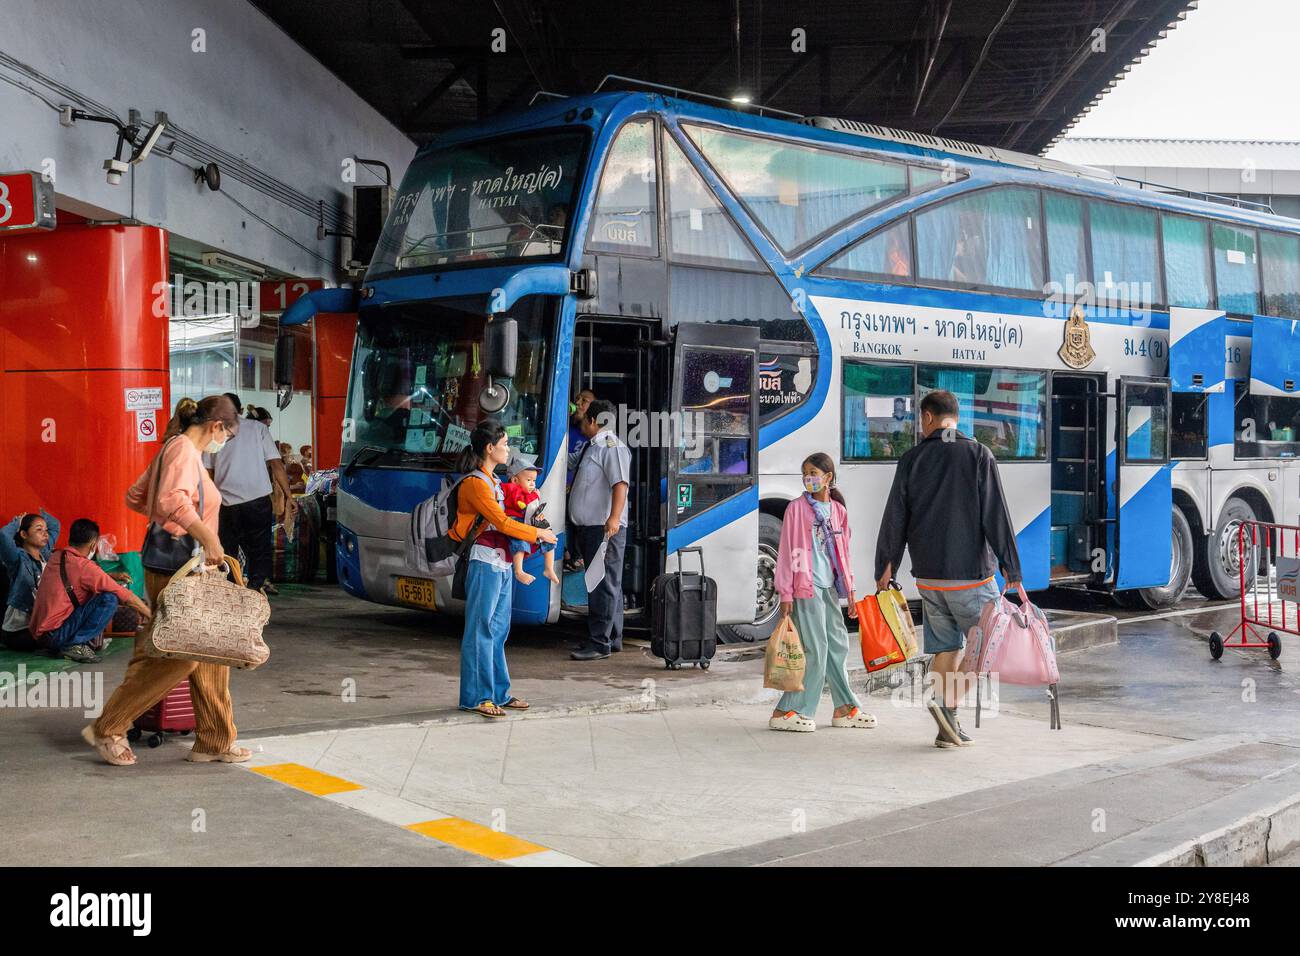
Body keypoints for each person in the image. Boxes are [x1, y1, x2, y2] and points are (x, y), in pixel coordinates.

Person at [86, 394, 250, 767]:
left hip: (186, 568)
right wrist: (204, 535)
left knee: (211, 653)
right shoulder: (183, 452)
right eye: (228, 433)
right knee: (175, 658)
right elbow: (172, 499)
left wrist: (170, 521)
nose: (225, 442)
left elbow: (137, 496)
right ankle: (108, 727)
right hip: (181, 568)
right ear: (216, 427)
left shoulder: (177, 451)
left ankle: (215, 739)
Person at [875, 389, 1022, 749]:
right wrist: (1011, 569)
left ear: (928, 417)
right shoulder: (978, 455)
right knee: (987, 648)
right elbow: (996, 514)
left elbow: (896, 515)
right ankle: (947, 704)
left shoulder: (911, 459)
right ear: (955, 417)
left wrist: (885, 566)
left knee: (946, 649)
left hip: (927, 577)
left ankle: (946, 729)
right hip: (970, 577)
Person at [449, 420, 557, 718]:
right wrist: (539, 535)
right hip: (484, 561)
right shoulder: (475, 484)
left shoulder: (495, 482)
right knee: (480, 629)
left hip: (503, 561)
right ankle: (477, 697)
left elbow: (512, 520)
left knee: (498, 630)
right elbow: (503, 523)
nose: (508, 449)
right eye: (505, 444)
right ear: (489, 448)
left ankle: (499, 692)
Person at [769, 453, 875, 732]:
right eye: (805, 473)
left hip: (830, 588)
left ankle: (844, 708)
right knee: (816, 650)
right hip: (806, 587)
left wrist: (851, 592)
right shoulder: (796, 509)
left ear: (828, 477)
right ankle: (790, 710)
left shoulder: (839, 511)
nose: (808, 478)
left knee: (837, 646)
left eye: (814, 472)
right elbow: (786, 552)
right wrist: (786, 593)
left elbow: (845, 555)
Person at [204, 392, 294, 596]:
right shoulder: (258, 429)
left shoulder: (213, 431)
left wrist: (210, 500)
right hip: (257, 500)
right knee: (259, 546)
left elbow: (207, 472)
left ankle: (231, 588)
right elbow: (276, 464)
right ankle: (255, 587)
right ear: (241, 410)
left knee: (228, 548)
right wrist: (288, 496)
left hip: (226, 503)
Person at [29, 519, 152, 664]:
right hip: (56, 635)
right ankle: (75, 645)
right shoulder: (85, 567)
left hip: (40, 637)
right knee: (109, 599)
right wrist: (152, 616)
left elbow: (80, 573)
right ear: (94, 544)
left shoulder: (58, 556)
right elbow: (126, 597)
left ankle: (65, 645)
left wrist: (111, 576)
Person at [567, 399, 631, 661]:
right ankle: (612, 638)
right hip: (590, 527)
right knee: (607, 584)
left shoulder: (611, 446)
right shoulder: (591, 448)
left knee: (601, 584)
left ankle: (598, 643)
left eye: (583, 419)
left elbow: (620, 484)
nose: (581, 423)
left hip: (604, 527)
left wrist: (614, 518)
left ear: (594, 421)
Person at [0, 510, 61, 652]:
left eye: (46, 530)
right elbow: (3, 535)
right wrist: (17, 522)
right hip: (20, 630)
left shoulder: (45, 554)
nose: (45, 534)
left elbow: (55, 525)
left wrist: (42, 512)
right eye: (39, 530)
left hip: (40, 624)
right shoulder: (17, 558)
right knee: (59, 640)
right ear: (23, 534)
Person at [502, 453, 560, 587]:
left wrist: (538, 514)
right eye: (529, 480)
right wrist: (534, 496)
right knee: (520, 542)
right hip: (516, 522)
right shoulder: (512, 490)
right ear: (515, 480)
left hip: (528, 521)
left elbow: (531, 508)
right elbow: (520, 504)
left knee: (549, 536)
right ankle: (518, 570)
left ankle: (548, 568)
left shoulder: (529, 493)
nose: (533, 484)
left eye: (534, 481)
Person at [564, 389, 596, 570]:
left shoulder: (594, 435)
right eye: (577, 399)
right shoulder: (566, 425)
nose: (579, 403)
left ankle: (577, 556)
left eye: (585, 401)